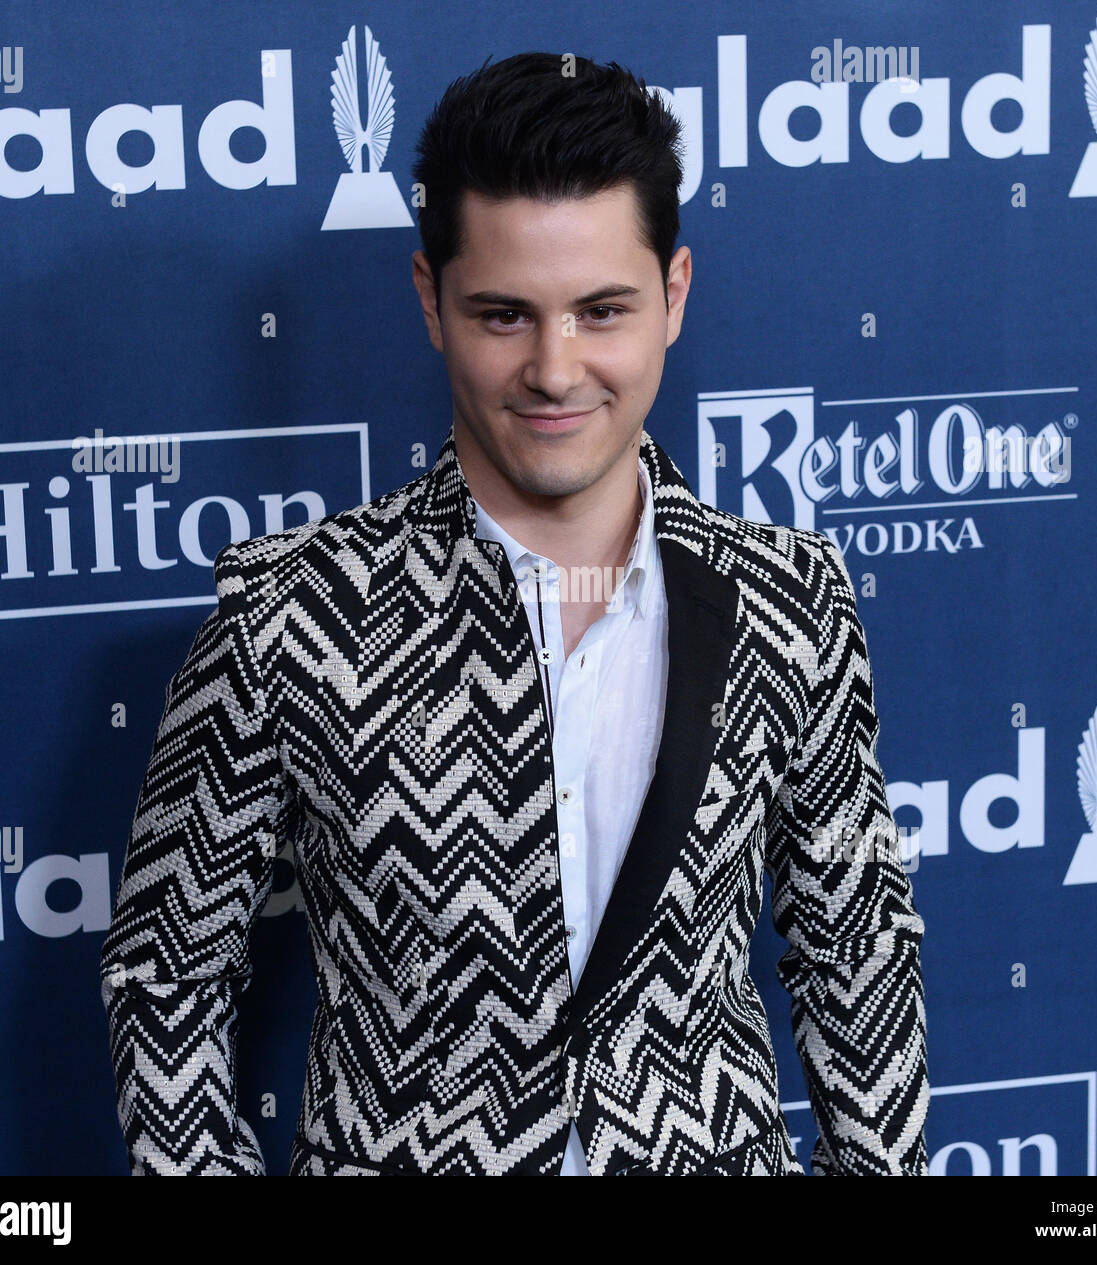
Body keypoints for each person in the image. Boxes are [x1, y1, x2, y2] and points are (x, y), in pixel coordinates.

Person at [99, 50, 929, 1176]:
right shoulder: (291, 613)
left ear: (673, 296)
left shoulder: (789, 599)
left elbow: (858, 951)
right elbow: (167, 970)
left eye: (602, 310)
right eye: (504, 313)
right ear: (430, 300)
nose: (554, 367)